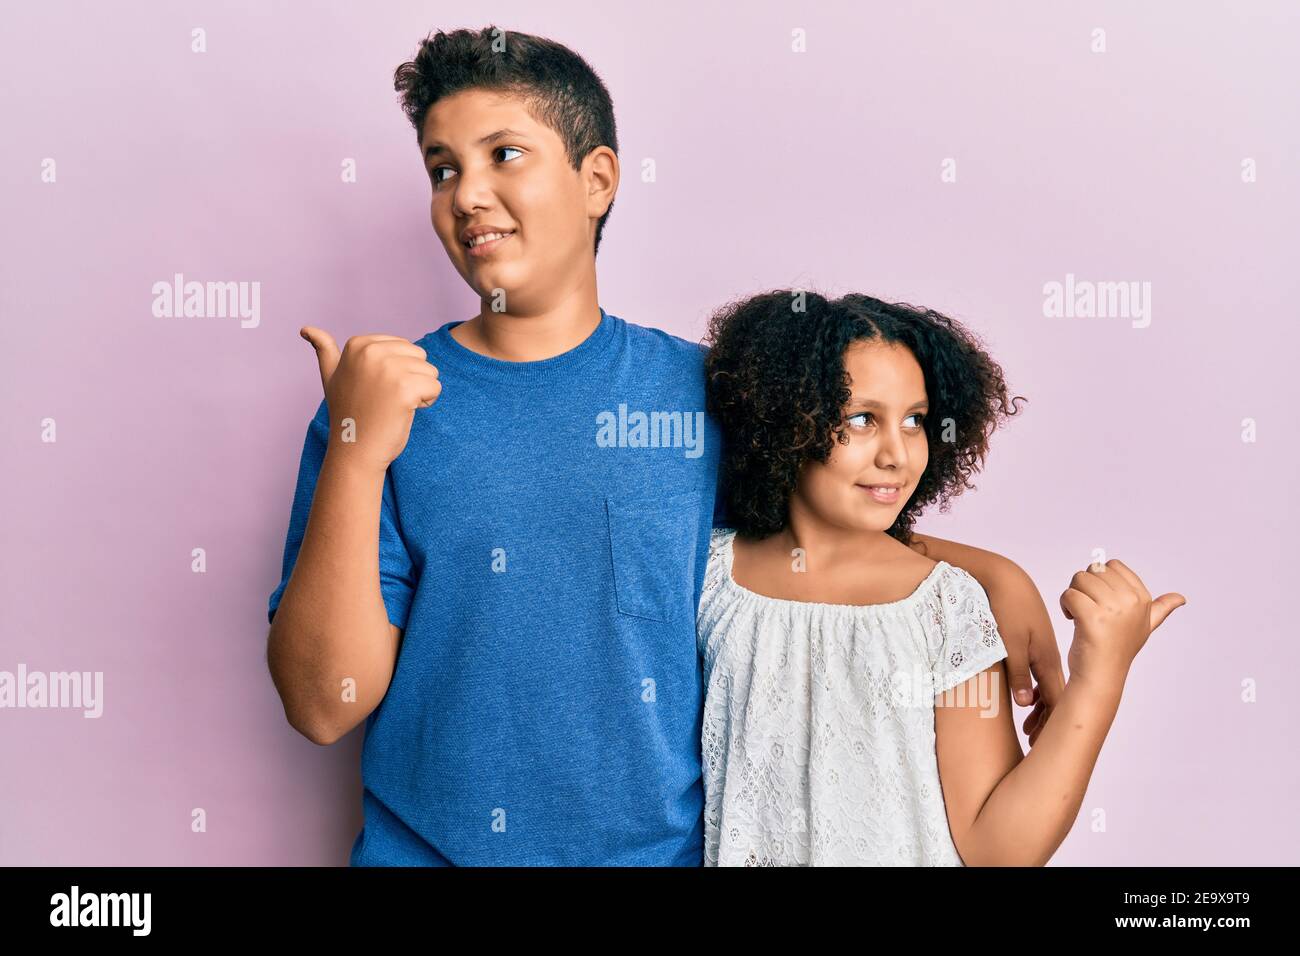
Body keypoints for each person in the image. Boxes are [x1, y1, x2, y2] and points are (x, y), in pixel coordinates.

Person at [266, 26, 1060, 866]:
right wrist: (356, 448)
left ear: (596, 179)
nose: (466, 195)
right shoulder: (379, 402)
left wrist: (985, 573)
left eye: (504, 154)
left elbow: (811, 543)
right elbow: (323, 705)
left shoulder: (707, 395)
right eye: (442, 168)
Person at [697, 289, 1186, 865]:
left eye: (915, 421)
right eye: (861, 419)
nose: (897, 454)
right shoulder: (707, 577)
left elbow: (998, 849)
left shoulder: (945, 606)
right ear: (785, 423)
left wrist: (1100, 677)